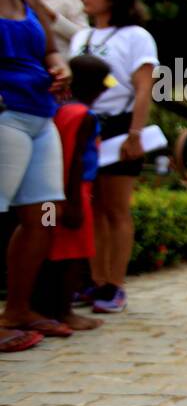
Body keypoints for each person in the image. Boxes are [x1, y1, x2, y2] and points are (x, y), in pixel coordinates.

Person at [0, 0, 72, 351]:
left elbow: (48, 46)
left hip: (40, 115)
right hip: (5, 113)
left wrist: (58, 65)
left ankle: (18, 310)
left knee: (43, 214)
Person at [69, 0, 158, 315]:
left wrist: (135, 132)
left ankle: (115, 284)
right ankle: (95, 278)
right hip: (86, 125)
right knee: (90, 207)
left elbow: (143, 87)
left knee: (116, 207)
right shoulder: (82, 37)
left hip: (121, 125)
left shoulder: (136, 36)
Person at [43, 54, 110, 331]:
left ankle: (47, 309)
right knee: (72, 254)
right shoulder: (83, 116)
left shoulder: (59, 110)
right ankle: (64, 312)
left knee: (50, 250)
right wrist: (74, 203)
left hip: (50, 191)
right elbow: (75, 161)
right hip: (74, 193)